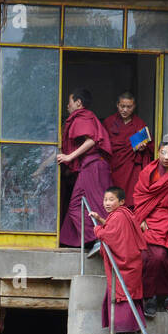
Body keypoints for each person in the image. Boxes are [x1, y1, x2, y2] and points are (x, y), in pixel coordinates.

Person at [132, 136, 168, 319]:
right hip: (152, 219)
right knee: (155, 257)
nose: (167, 157)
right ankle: (150, 297)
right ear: (158, 153)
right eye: (164, 152)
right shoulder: (148, 171)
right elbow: (139, 196)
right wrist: (140, 218)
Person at [56, 88, 113, 251]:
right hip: (92, 166)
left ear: (78, 103)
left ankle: (99, 238)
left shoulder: (82, 116)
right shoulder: (85, 117)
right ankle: (95, 238)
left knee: (83, 204)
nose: (67, 106)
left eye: (70, 102)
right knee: (81, 204)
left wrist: (69, 157)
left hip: (93, 166)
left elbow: (91, 141)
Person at [89, 185, 147, 334]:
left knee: (122, 296)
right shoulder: (122, 214)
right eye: (105, 200)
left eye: (111, 200)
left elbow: (109, 235)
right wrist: (100, 219)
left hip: (124, 265)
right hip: (130, 262)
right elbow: (114, 230)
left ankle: (124, 332)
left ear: (121, 202)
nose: (107, 203)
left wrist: (96, 229)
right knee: (126, 295)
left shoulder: (119, 215)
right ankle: (130, 329)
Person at [103, 91, 150, 206]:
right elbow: (103, 145)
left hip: (131, 166)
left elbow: (149, 146)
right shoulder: (109, 122)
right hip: (113, 165)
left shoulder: (139, 124)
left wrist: (143, 148)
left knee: (130, 196)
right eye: (122, 106)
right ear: (117, 105)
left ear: (134, 107)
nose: (125, 110)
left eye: (128, 107)